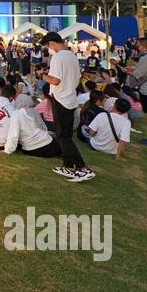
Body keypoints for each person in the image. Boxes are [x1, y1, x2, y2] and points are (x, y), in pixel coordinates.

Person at [40, 33, 94, 181]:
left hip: (61, 99)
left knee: (63, 136)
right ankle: (68, 167)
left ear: (51, 43)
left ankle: (82, 167)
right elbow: (77, 79)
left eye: (46, 46)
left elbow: (55, 81)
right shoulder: (72, 56)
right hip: (71, 99)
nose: (47, 49)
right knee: (66, 135)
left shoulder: (58, 57)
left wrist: (42, 76)